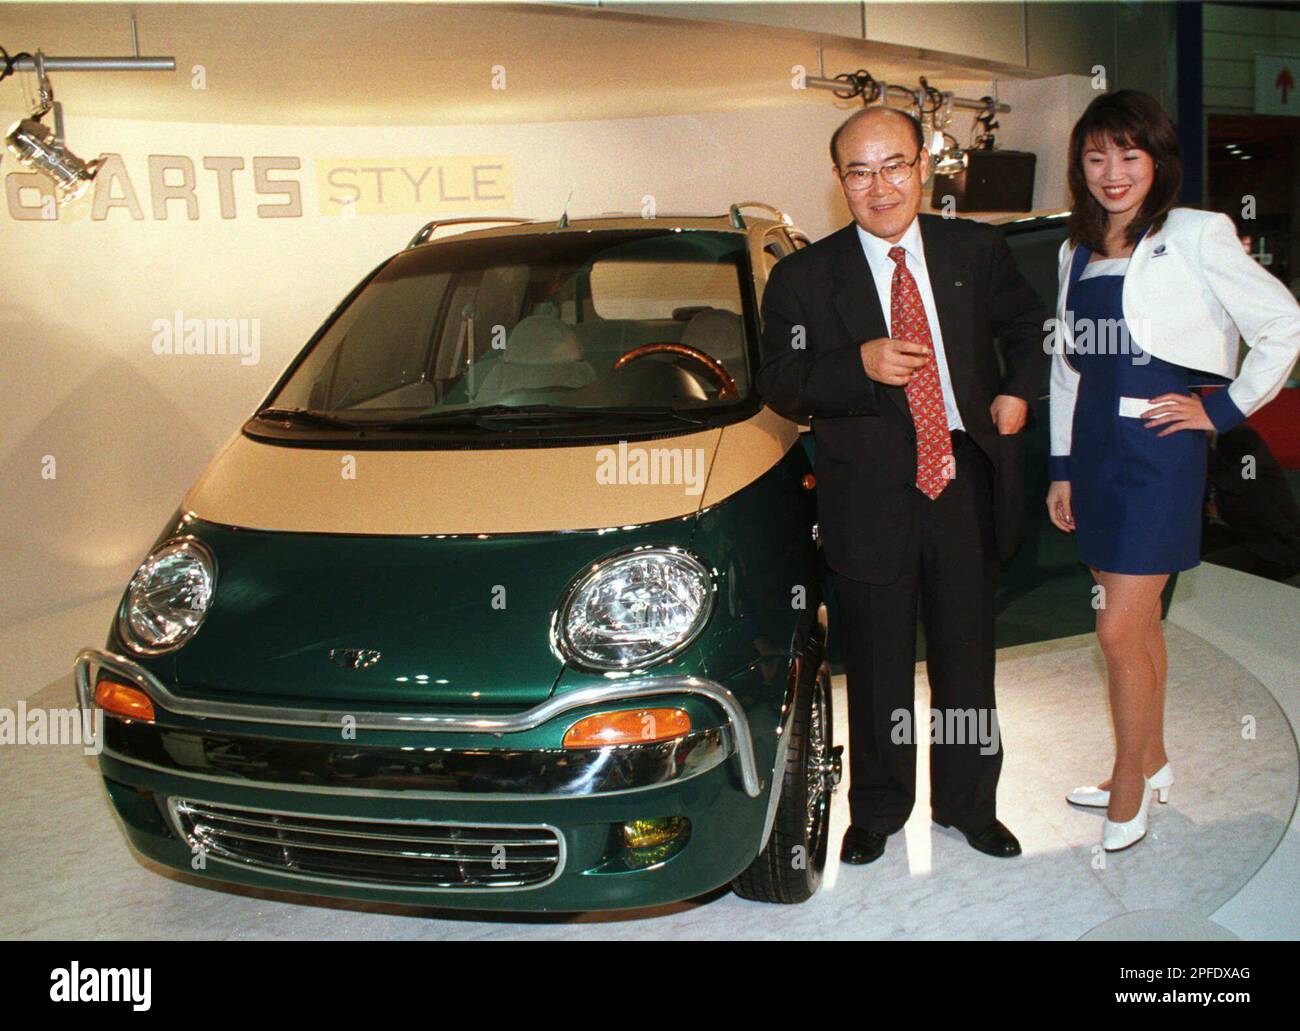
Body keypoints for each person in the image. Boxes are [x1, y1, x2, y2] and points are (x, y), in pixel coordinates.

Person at [758, 106, 1046, 865]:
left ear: (924, 167)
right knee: (880, 666)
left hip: (962, 481)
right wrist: (857, 363)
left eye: (894, 165)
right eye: (859, 170)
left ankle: (969, 804)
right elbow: (782, 384)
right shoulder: (801, 277)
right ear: (838, 181)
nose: (879, 186)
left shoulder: (975, 250)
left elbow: (1028, 328)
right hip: (869, 497)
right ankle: (879, 809)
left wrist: (1019, 390)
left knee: (967, 662)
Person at [1047, 90, 1300, 851]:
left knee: (1117, 627)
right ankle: (1151, 759)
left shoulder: (1192, 233)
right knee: (1142, 622)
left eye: (1129, 154)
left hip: (1160, 451)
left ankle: (1130, 782)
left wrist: (1220, 412)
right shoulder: (1074, 249)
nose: (1112, 172)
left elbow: (1283, 324)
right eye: (1096, 157)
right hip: (1093, 447)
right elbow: (1065, 368)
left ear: (1157, 161)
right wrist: (1061, 466)